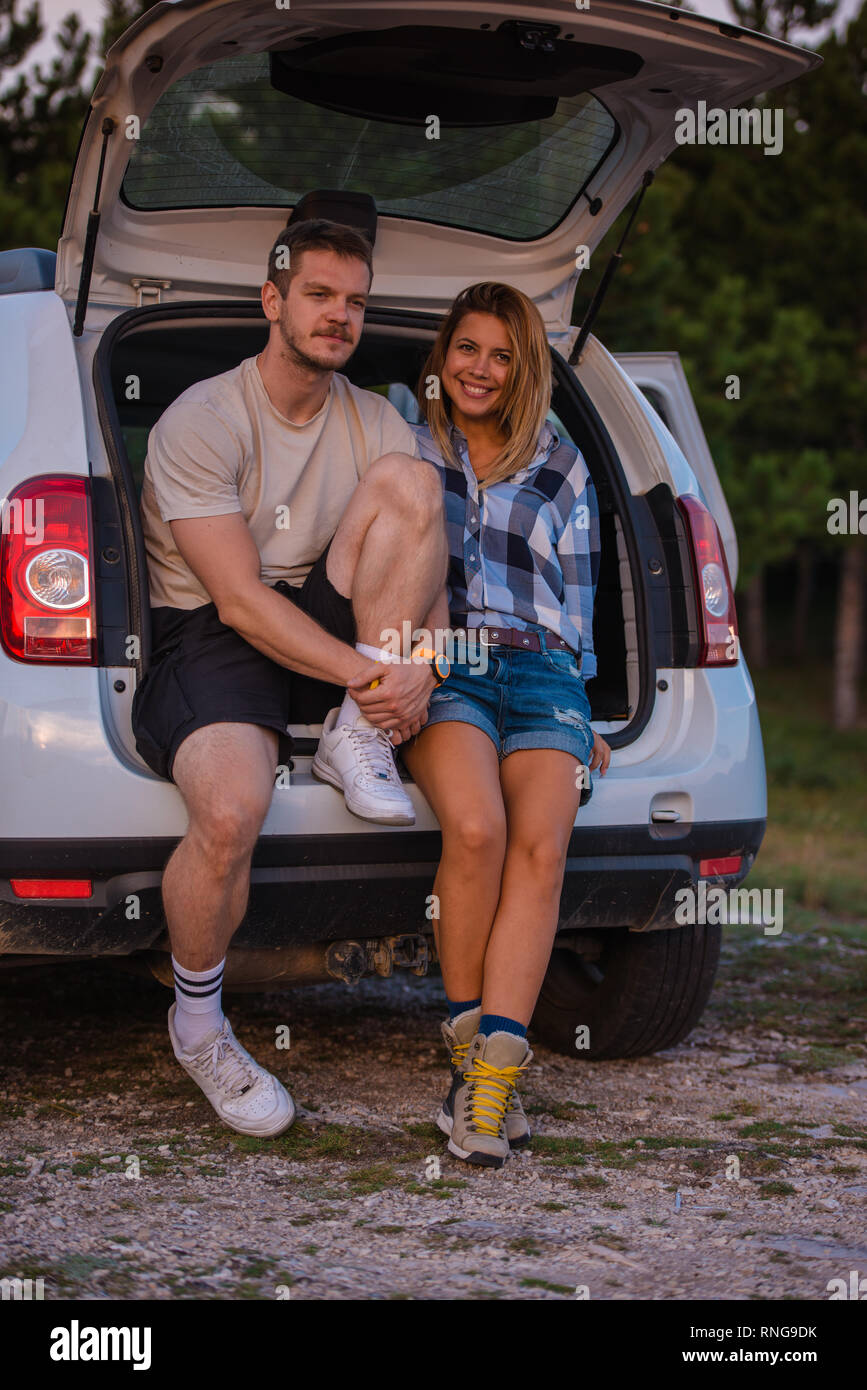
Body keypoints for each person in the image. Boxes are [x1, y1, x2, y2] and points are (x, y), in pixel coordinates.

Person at [132, 218, 448, 1137]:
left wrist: (418, 669)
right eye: (318, 294)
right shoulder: (202, 417)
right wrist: (371, 676)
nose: (339, 316)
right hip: (213, 634)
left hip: (332, 629)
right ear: (273, 301)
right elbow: (234, 600)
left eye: (354, 301)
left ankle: (359, 739)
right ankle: (199, 1026)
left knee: (412, 484)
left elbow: (428, 558)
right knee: (229, 812)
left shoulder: (376, 418)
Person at [401, 282, 612, 1169]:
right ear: (442, 355)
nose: (479, 369)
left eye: (501, 355)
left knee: (542, 849)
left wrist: (587, 711)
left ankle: (487, 1086)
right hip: (447, 660)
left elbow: (580, 597)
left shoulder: (562, 464)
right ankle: (465, 1055)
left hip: (544, 671)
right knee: (478, 830)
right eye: (467, 348)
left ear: (522, 368)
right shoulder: (402, 437)